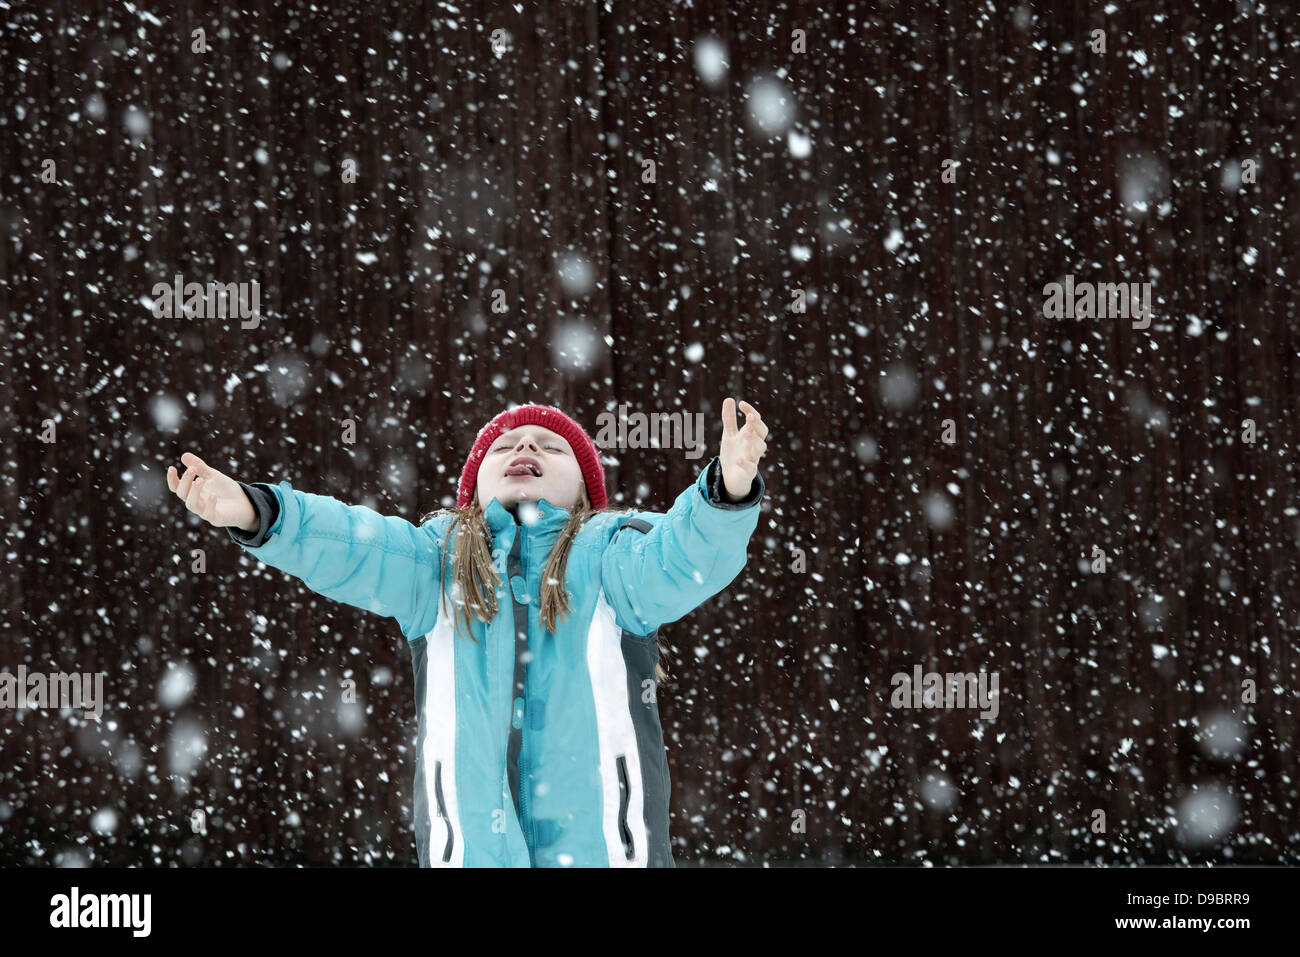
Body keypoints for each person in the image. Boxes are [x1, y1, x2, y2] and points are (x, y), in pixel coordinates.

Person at [166, 398, 768, 866]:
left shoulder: (612, 557)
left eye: (550, 447)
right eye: (505, 444)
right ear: (473, 493)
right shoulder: (435, 565)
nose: (525, 445)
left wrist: (727, 492)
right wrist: (255, 511)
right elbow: (350, 544)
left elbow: (682, 556)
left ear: (587, 493)